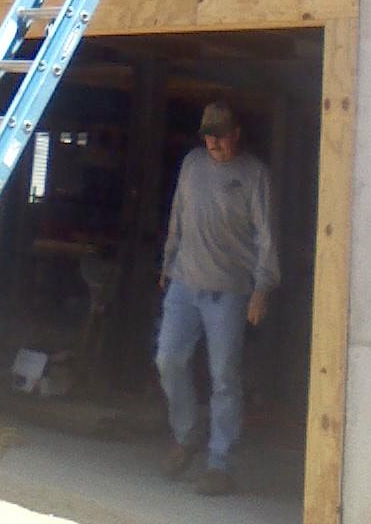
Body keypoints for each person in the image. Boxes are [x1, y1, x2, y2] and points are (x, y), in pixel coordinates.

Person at [155, 100, 280, 497]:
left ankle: (219, 463)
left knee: (224, 376)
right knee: (168, 359)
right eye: (208, 134)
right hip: (184, 282)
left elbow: (267, 235)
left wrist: (262, 288)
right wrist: (168, 258)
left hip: (229, 291)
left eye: (220, 135)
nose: (214, 142)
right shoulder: (192, 164)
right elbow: (178, 213)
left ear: (236, 133)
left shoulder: (255, 175)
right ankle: (187, 434)